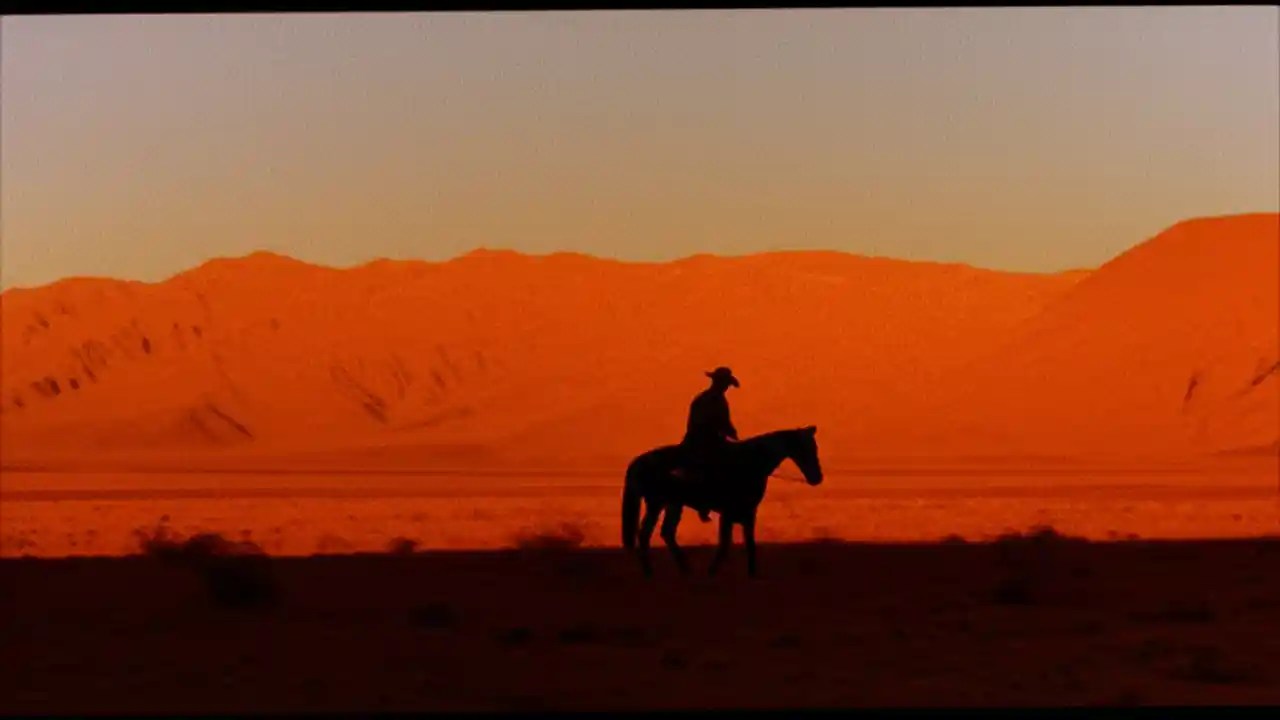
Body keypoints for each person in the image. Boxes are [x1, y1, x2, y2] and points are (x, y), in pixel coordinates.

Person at [678, 366, 740, 522]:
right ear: (718, 382)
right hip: (699, 441)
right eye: (725, 383)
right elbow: (700, 424)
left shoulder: (720, 400)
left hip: (714, 440)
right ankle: (703, 503)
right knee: (708, 467)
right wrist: (721, 432)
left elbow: (726, 422)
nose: (726, 387)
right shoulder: (704, 400)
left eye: (727, 384)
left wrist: (733, 434)